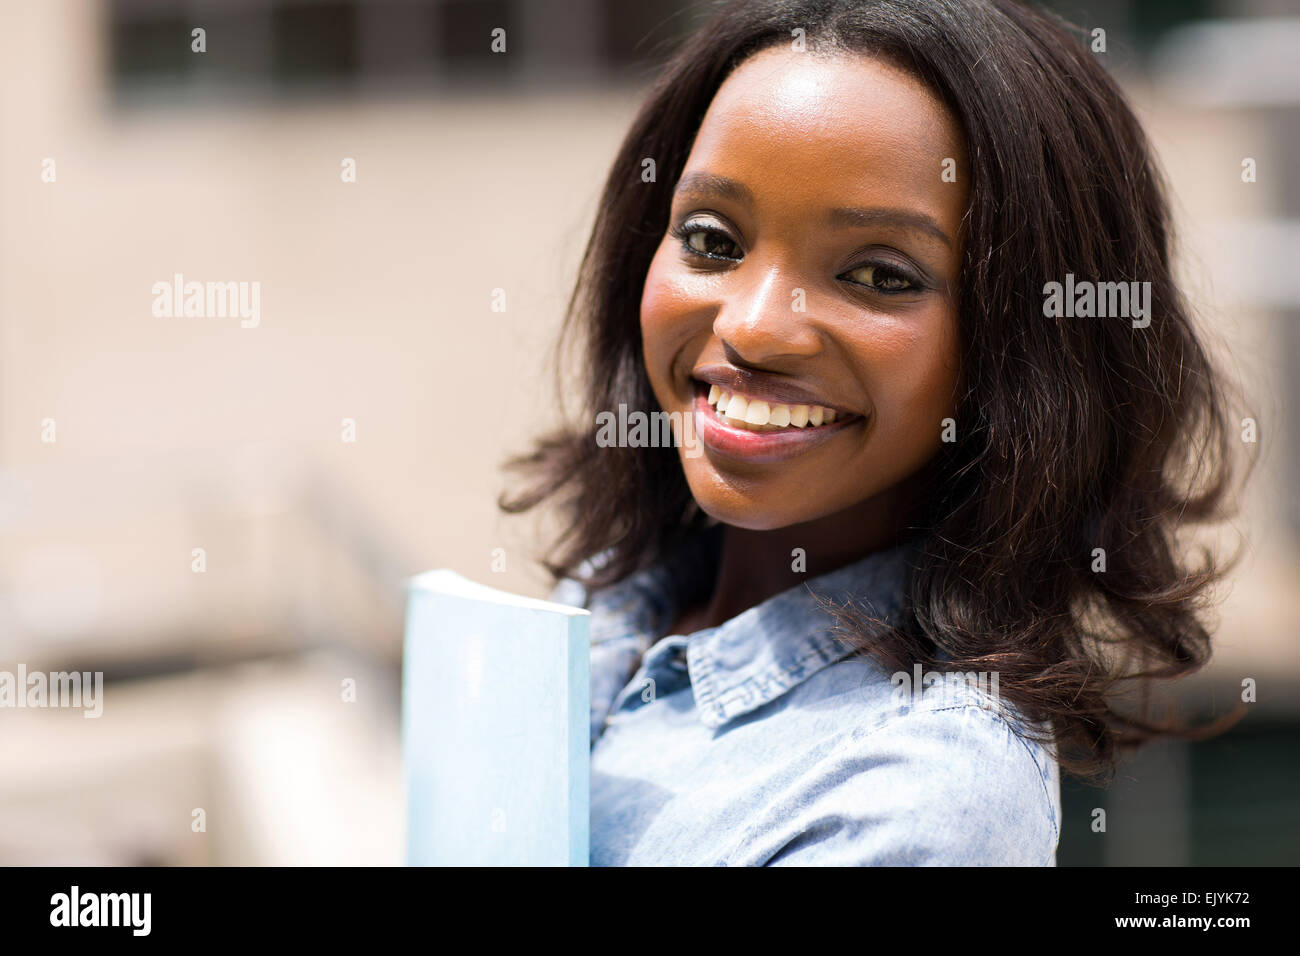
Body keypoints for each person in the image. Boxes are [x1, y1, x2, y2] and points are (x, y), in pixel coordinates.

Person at [502, 0, 1245, 865]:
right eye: (711, 239)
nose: (754, 327)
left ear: (1028, 351)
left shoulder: (917, 799)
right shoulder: (619, 595)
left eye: (878, 275)